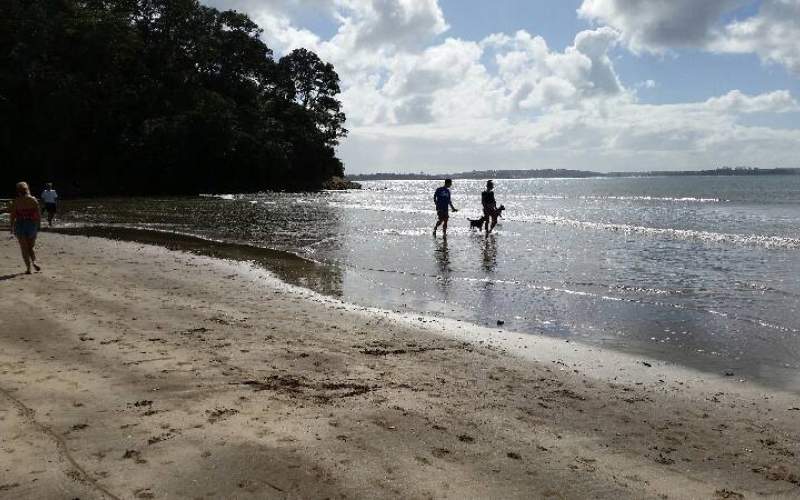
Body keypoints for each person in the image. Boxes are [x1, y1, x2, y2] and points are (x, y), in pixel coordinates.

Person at [9, 182, 42, 274]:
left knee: (24, 248)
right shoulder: (33, 200)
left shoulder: (16, 201)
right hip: (31, 224)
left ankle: (28, 268)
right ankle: (34, 262)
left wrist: (11, 226)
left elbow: (13, 215)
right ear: (27, 189)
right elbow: (38, 215)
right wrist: (39, 225)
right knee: (31, 246)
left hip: (20, 224)